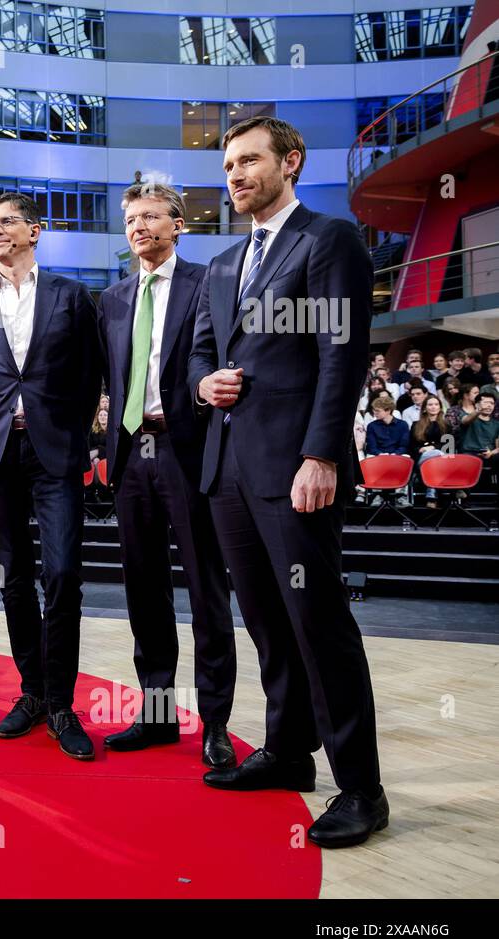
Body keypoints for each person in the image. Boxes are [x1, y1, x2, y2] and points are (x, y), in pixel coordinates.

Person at [189, 116, 387, 848]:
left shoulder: (327, 240)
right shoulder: (221, 265)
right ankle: (287, 753)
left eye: (249, 160)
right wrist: (202, 382)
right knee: (268, 621)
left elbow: (343, 356)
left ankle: (361, 788)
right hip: (229, 472)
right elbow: (200, 357)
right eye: (229, 165)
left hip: (296, 466)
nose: (236, 174)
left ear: (290, 162)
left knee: (319, 625)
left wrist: (324, 455)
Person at [0, 191, 103, 758]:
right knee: (13, 576)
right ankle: (33, 692)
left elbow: (90, 375)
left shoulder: (70, 296)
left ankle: (63, 705)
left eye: (7, 222)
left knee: (62, 573)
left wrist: (69, 428)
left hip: (55, 452)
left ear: (34, 231)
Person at [97, 181, 237, 768]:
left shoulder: (209, 281)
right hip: (132, 452)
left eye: (151, 216)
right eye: (131, 218)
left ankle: (215, 723)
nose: (139, 227)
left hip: (188, 448)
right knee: (144, 589)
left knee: (206, 588)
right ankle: (156, 716)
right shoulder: (112, 298)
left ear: (178, 224)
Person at [410, 395, 450, 507]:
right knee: (436, 454)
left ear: (440, 408)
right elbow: (412, 446)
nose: (433, 407)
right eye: (430, 404)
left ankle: (431, 492)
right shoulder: (416, 425)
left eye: (436, 404)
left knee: (437, 456)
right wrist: (423, 449)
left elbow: (449, 446)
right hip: (422, 460)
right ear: (424, 408)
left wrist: (432, 447)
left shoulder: (447, 425)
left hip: (442, 461)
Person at [460, 393, 499, 478]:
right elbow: (465, 421)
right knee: (466, 459)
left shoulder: (496, 424)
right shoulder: (468, 417)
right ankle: (462, 490)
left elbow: (498, 447)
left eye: (492, 403)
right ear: (477, 404)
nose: (489, 405)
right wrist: (478, 410)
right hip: (470, 453)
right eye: (486, 402)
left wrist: (491, 453)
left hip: (489, 455)